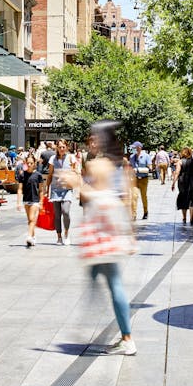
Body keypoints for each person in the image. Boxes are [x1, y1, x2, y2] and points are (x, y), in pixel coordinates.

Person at [57, 121, 137, 355]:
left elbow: (99, 196)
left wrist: (77, 183)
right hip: (110, 224)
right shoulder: (117, 163)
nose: (91, 141)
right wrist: (130, 233)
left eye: (94, 138)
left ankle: (125, 337)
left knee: (112, 282)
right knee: (101, 276)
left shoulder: (97, 165)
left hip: (102, 225)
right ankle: (104, 322)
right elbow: (123, 197)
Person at [45, 141, 79, 245]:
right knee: (57, 215)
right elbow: (50, 175)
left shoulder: (71, 158)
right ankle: (59, 237)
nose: (62, 149)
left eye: (63, 147)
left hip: (67, 189)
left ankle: (67, 234)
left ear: (67, 147)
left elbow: (75, 173)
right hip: (55, 189)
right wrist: (47, 190)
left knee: (66, 211)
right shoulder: (52, 159)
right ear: (57, 148)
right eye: (60, 147)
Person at [17, 156, 43, 247]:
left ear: (34, 164)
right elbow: (20, 189)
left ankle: (28, 237)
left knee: (32, 219)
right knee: (30, 221)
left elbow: (41, 190)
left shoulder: (38, 175)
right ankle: (33, 237)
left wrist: (41, 202)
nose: (29, 165)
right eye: (27, 163)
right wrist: (18, 202)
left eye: (31, 163)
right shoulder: (22, 175)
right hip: (26, 200)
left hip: (35, 200)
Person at [129, 142, 152, 220]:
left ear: (139, 148)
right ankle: (133, 214)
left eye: (134, 148)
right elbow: (130, 167)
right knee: (134, 196)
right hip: (134, 179)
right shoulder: (131, 157)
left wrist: (140, 169)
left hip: (143, 179)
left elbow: (150, 168)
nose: (133, 149)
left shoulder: (146, 156)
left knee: (143, 196)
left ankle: (146, 212)